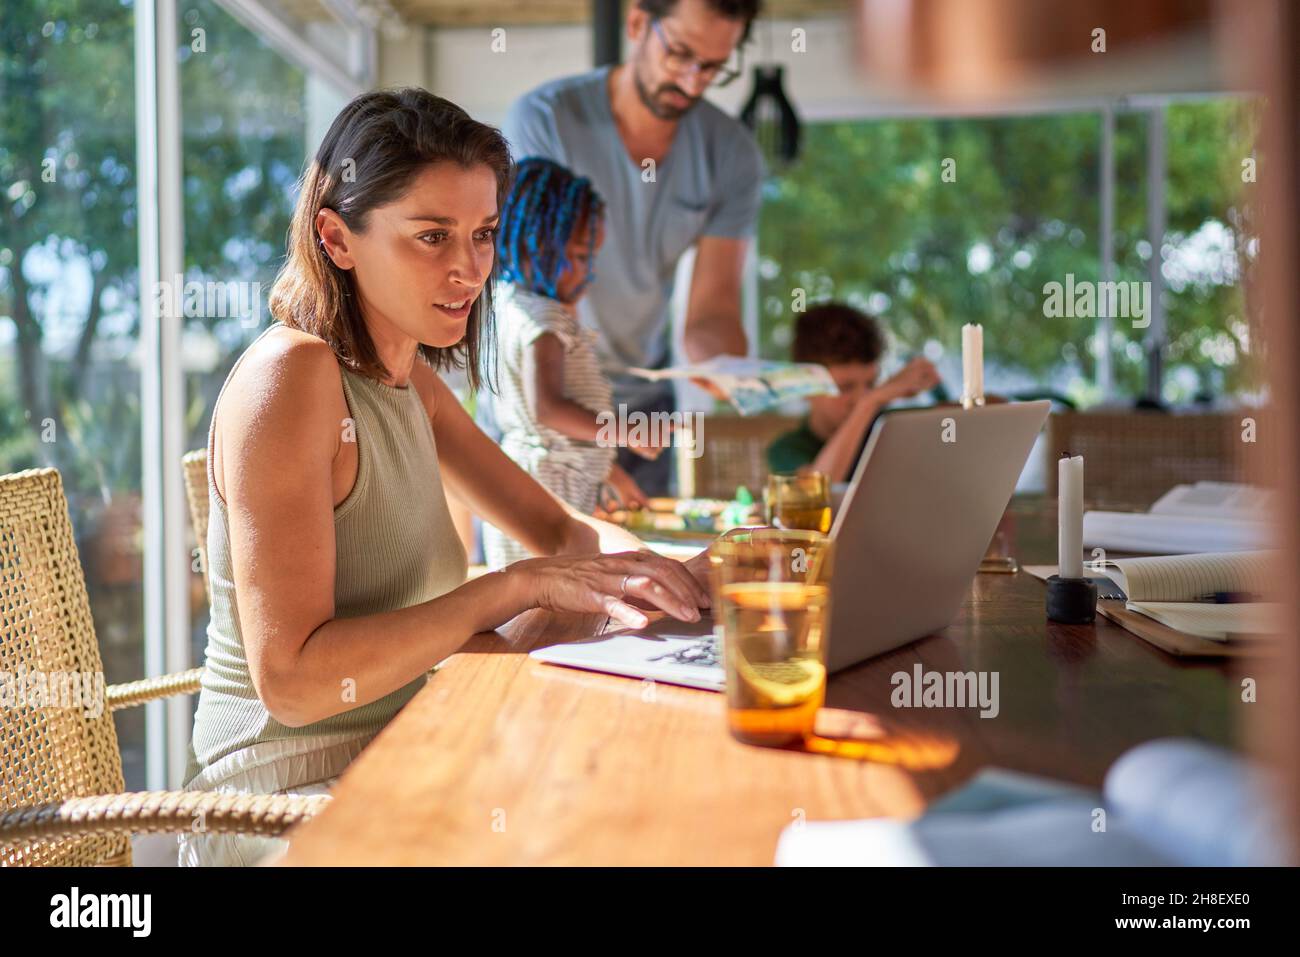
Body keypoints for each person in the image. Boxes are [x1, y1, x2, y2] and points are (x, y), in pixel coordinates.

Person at [180, 89, 711, 866]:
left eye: (484, 235)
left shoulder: (411, 382)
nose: (468, 269)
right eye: (432, 236)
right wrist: (514, 587)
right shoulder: (291, 376)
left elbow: (561, 528)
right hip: (285, 807)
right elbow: (290, 682)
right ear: (336, 237)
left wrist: (651, 571)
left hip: (415, 746)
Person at [500, 0, 765, 495]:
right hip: (554, 399)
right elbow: (533, 280)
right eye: (680, 55)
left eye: (711, 68)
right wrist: (597, 451)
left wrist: (725, 368)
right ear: (639, 23)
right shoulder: (548, 119)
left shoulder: (731, 154)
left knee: (648, 560)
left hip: (642, 404)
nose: (692, 82)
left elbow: (714, 308)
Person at [483, 157, 664, 568]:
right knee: (554, 606)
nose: (587, 274)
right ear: (536, 246)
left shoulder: (509, 304)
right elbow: (548, 410)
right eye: (580, 256)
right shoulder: (543, 321)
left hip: (539, 482)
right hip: (549, 491)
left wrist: (609, 471)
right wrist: (626, 432)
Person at [767, 302, 940, 483]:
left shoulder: (890, 431)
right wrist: (870, 403)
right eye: (845, 387)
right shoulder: (788, 449)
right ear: (805, 386)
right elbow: (816, 492)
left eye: (871, 384)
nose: (860, 398)